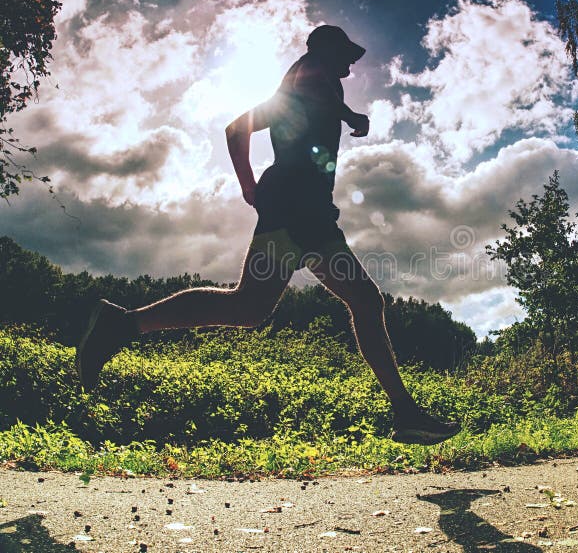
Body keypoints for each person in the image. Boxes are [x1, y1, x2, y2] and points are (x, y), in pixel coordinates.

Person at [75, 25, 461, 446]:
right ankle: (404, 412)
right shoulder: (309, 75)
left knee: (256, 307)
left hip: (305, 212)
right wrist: (249, 185)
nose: (351, 62)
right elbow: (239, 128)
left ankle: (122, 324)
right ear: (323, 50)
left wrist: (343, 123)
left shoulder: (309, 89)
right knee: (345, 302)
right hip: (297, 212)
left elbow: (269, 121)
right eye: (346, 53)